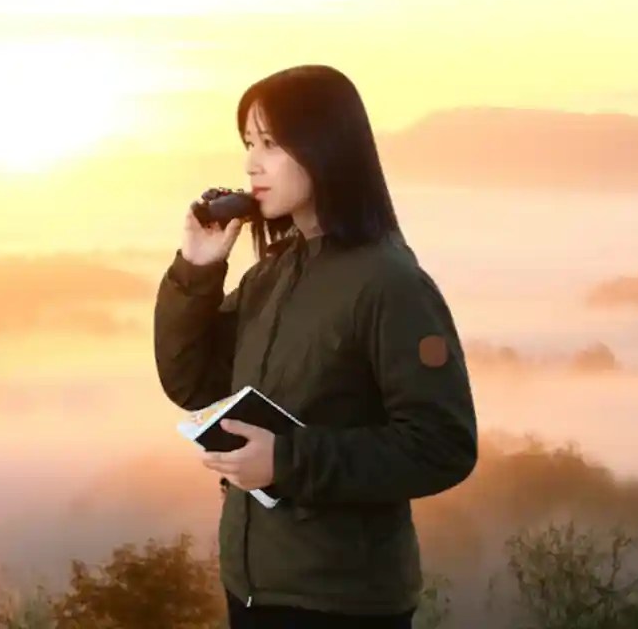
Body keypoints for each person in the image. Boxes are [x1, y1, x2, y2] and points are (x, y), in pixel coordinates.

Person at [153, 65, 478, 628]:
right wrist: (196, 273)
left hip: (343, 603)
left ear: (327, 148)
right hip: (255, 589)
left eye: (272, 144)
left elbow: (442, 445)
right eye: (249, 144)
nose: (252, 162)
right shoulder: (275, 273)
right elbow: (193, 384)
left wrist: (286, 462)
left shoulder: (389, 283)